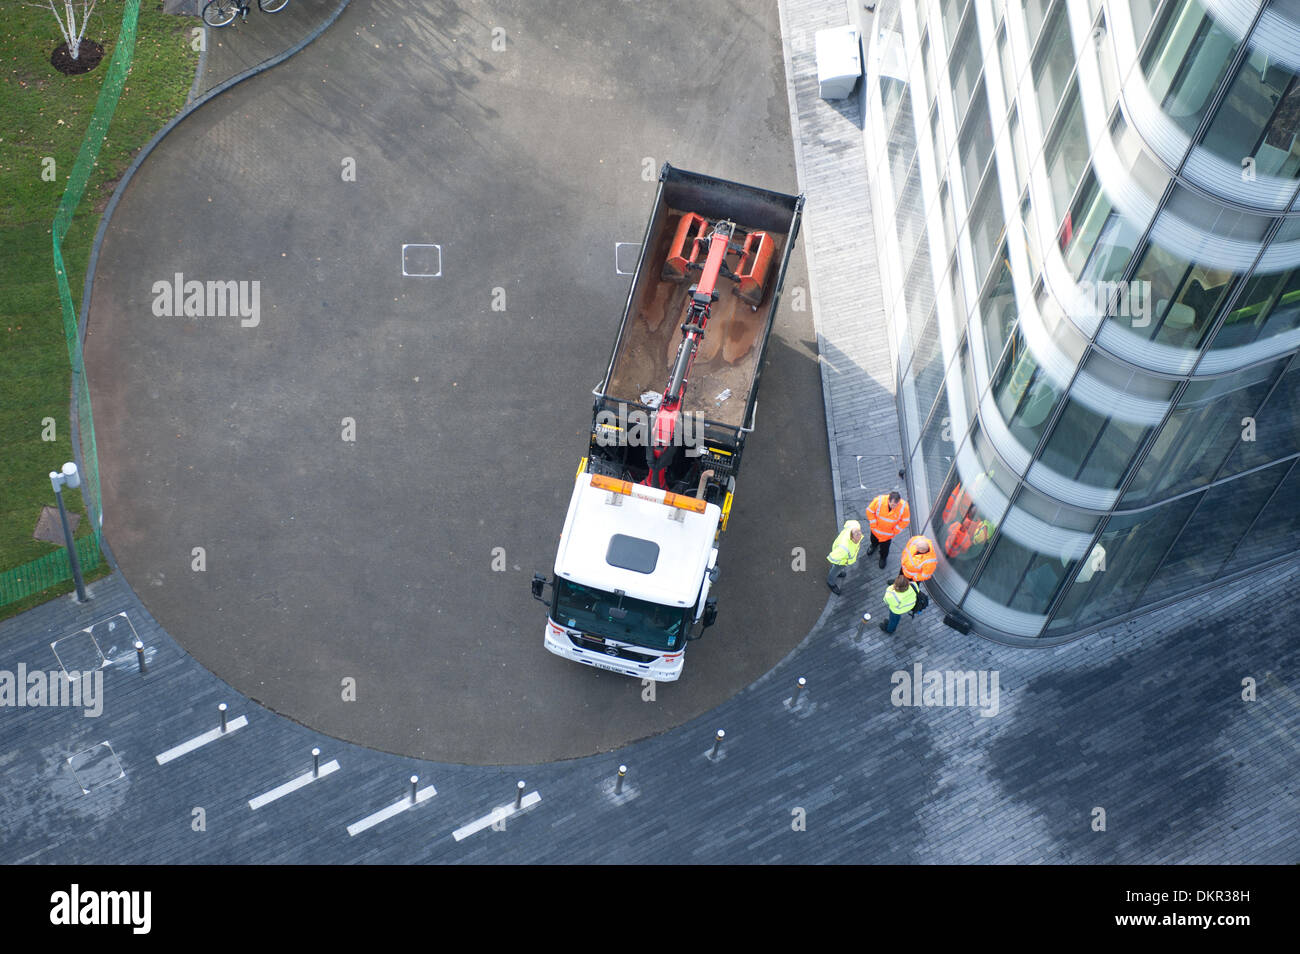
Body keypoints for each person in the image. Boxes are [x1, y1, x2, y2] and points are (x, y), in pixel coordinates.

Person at [864, 491, 910, 569]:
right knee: (873, 539)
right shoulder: (879, 501)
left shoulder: (904, 507)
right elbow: (869, 511)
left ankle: (883, 558)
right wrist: (873, 523)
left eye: (896, 505)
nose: (894, 507)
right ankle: (873, 546)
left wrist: (895, 530)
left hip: (887, 534)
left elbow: (905, 521)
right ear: (888, 500)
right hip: (876, 530)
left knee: (885, 548)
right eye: (892, 505)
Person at [825, 520, 863, 595]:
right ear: (852, 538)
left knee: (837, 569)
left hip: (842, 556)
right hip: (841, 560)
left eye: (859, 532)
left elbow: (850, 523)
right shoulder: (844, 548)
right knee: (835, 569)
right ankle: (830, 582)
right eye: (857, 535)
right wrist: (843, 562)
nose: (860, 535)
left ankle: (837, 572)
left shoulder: (854, 527)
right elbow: (832, 557)